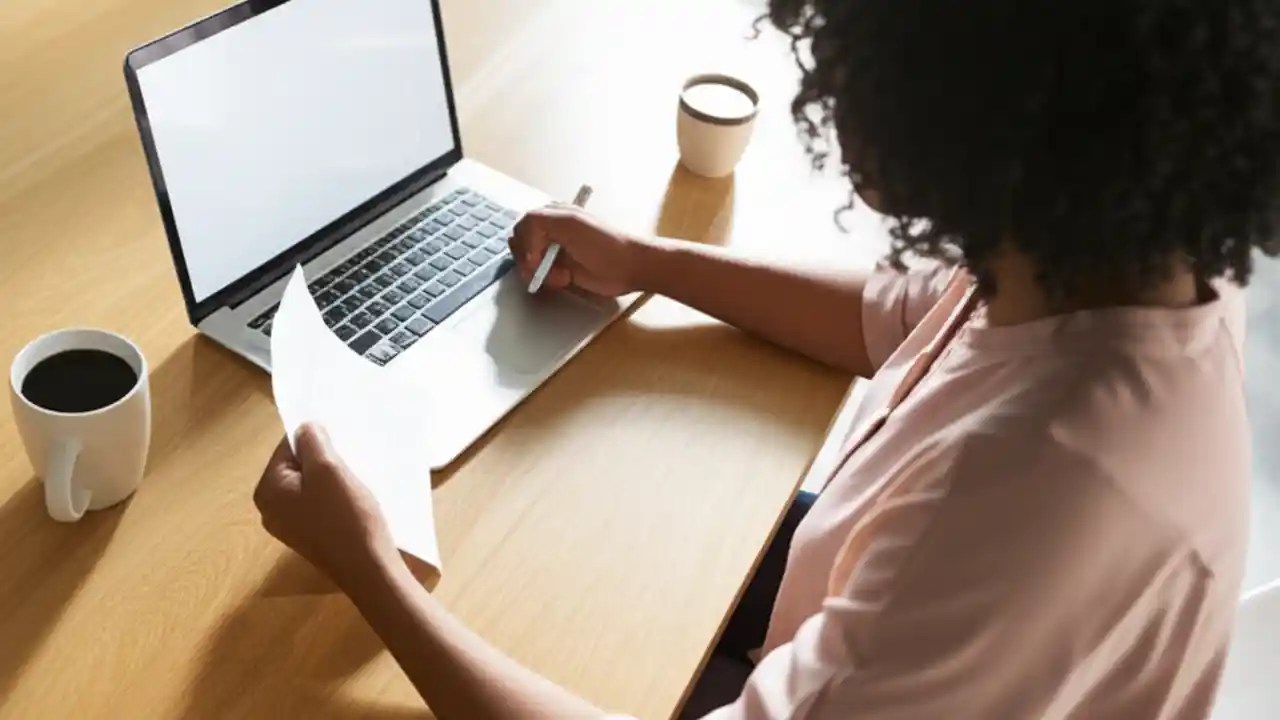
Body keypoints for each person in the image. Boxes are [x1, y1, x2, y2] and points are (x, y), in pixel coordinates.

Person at [253, 0, 1280, 717]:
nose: (824, 77)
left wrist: (372, 574)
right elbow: (889, 314)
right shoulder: (1119, 247)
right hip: (853, 627)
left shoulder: (1035, 491)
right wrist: (648, 260)